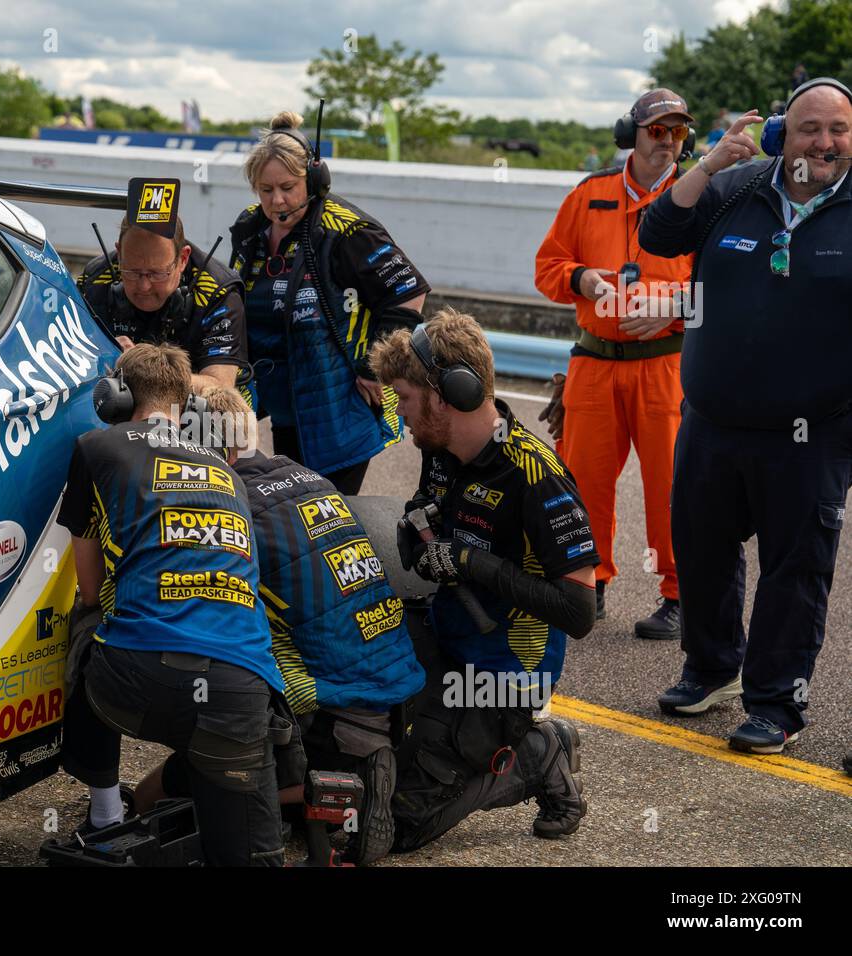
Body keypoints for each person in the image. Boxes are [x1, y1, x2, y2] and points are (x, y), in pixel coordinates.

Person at [639, 79, 852, 756]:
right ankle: (710, 670)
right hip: (711, 419)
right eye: (810, 127)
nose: (824, 142)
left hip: (812, 434)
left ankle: (774, 705)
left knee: (794, 572)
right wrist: (707, 164)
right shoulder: (736, 189)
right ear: (781, 133)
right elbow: (657, 231)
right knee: (701, 554)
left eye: (839, 130)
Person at [129, 385, 427, 864]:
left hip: (329, 706)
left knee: (210, 698)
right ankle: (343, 777)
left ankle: (324, 788)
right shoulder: (310, 476)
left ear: (214, 449)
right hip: (393, 689)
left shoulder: (227, 508)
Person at [369, 308, 599, 849]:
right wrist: (418, 541)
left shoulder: (536, 476)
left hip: (503, 673)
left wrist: (473, 563)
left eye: (403, 398)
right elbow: (428, 518)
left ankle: (540, 753)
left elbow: (579, 614)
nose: (399, 415)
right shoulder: (443, 450)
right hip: (445, 637)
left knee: (395, 826)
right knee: (357, 778)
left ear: (447, 394)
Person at [56, 343, 287, 866]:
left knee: (87, 623)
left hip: (133, 685)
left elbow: (89, 588)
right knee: (247, 853)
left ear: (113, 398)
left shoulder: (97, 445)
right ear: (188, 408)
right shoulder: (228, 473)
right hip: (241, 690)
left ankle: (105, 811)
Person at [534, 88, 696, 640]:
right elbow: (548, 266)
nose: (667, 143)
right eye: (657, 131)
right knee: (582, 482)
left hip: (665, 367)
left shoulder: (698, 199)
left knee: (672, 486)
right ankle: (587, 585)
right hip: (595, 364)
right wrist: (579, 278)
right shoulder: (590, 194)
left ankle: (678, 594)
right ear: (632, 134)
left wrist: (675, 308)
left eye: (677, 132)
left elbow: (723, 289)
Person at [229, 110, 430, 496]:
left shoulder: (347, 230)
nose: (277, 199)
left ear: (315, 180)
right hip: (283, 400)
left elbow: (409, 291)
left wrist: (375, 366)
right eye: (265, 190)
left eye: (288, 187)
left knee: (322, 514)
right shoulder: (251, 228)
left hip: (339, 407)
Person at [79, 179, 247, 392]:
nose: (144, 286)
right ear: (119, 253)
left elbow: (220, 387)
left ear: (183, 259)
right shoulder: (95, 279)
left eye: (157, 273)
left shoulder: (218, 291)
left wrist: (142, 368)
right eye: (132, 271)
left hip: (196, 414)